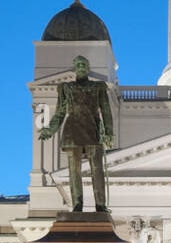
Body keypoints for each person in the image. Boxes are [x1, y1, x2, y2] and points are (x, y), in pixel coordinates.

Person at [39, 56, 114, 213]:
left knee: (97, 169)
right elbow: (60, 112)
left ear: (88, 68)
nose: (80, 67)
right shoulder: (66, 88)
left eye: (83, 64)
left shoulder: (98, 87)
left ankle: (100, 204)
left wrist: (109, 133)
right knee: (74, 171)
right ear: (74, 68)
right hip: (72, 131)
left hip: (93, 129)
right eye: (78, 64)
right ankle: (77, 204)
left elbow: (106, 111)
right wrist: (50, 130)